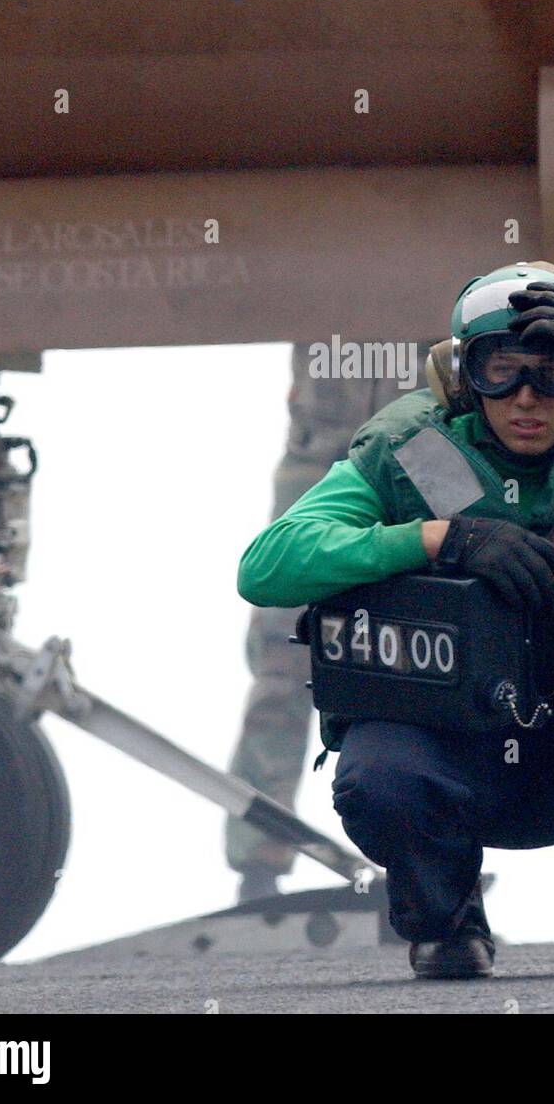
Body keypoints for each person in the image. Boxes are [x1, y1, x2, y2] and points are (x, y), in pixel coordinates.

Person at [237, 262, 554, 977]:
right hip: (451, 760)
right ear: (467, 377)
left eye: (553, 374)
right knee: (379, 779)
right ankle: (445, 913)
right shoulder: (410, 448)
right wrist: (435, 539)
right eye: (503, 372)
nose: (527, 399)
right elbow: (268, 566)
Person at [225, 341, 431, 903]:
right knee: (282, 663)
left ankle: (432, 852)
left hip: (426, 466)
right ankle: (260, 856)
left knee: (434, 656)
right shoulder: (314, 262)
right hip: (320, 466)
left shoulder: (439, 265)